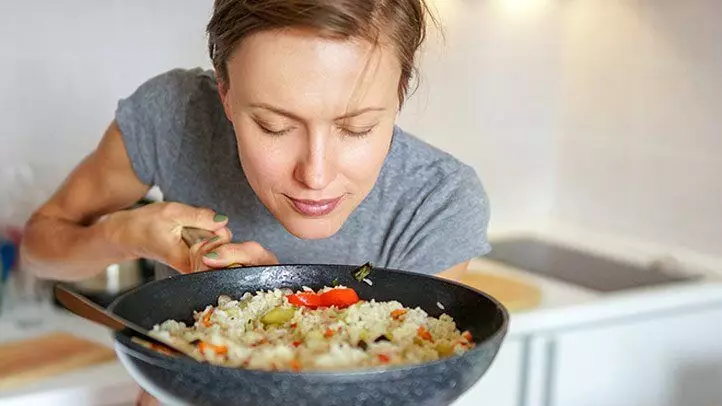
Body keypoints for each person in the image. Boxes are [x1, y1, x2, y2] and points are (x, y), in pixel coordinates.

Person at [22, 0, 491, 403]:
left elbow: (394, 378)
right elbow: (38, 251)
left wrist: (273, 310)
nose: (316, 174)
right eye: (273, 125)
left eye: (357, 128)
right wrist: (124, 233)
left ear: (400, 94)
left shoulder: (438, 201)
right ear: (225, 93)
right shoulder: (175, 116)